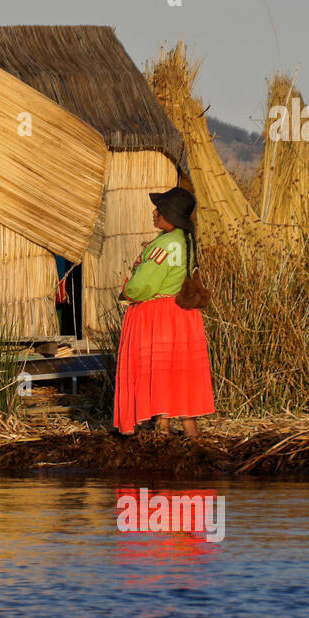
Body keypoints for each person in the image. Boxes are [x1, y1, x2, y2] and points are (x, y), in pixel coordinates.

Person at [113, 187, 215, 437]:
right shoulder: (185, 240)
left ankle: (162, 425)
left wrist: (128, 292)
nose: (154, 212)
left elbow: (144, 284)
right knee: (178, 370)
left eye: (160, 209)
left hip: (158, 315)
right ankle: (186, 428)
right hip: (182, 316)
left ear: (171, 214)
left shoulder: (165, 244)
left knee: (158, 370)